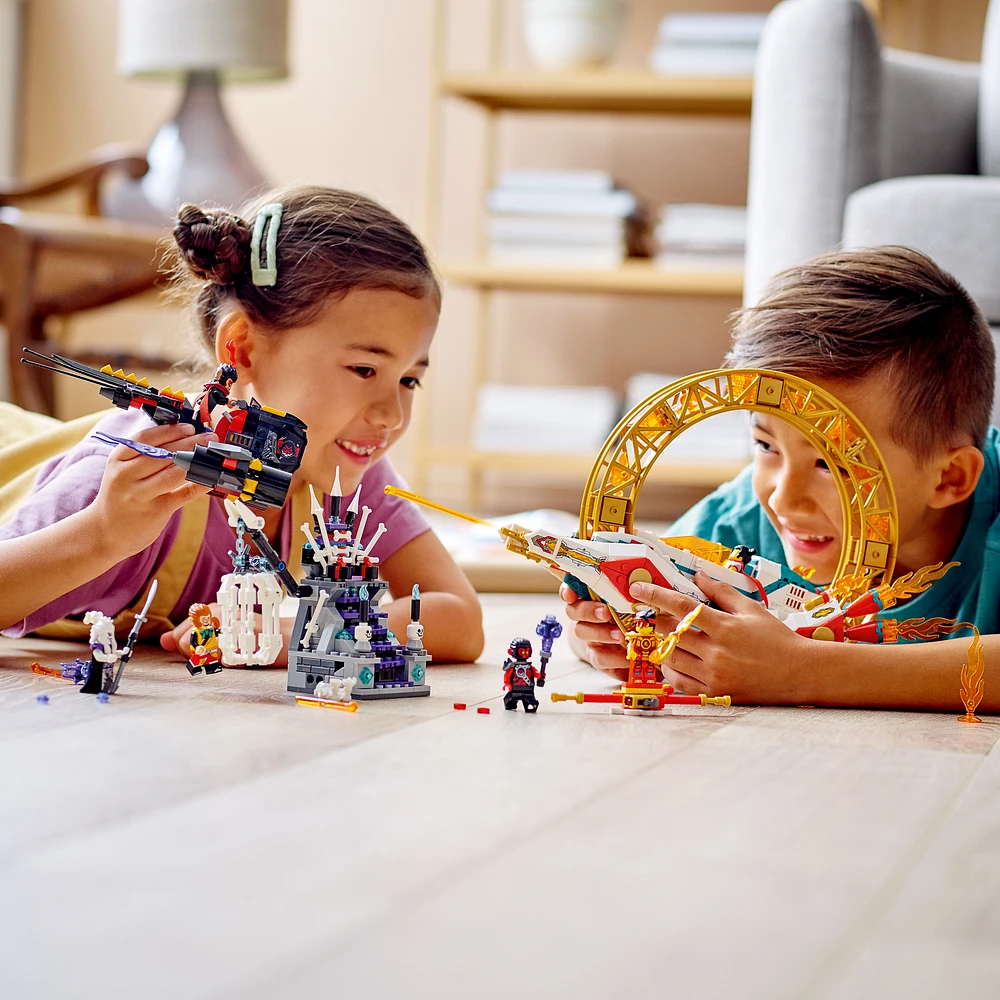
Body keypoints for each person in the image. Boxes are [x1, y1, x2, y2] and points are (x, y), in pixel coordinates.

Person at [0, 186, 484, 665]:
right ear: (242, 350)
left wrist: (300, 633)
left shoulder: (344, 472)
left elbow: (459, 619)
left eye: (409, 380)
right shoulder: (135, 472)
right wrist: (103, 532)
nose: (391, 415)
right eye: (364, 370)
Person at [563, 246, 1000, 710]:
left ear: (949, 478)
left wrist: (803, 671)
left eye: (829, 464)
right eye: (766, 446)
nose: (784, 500)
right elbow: (632, 614)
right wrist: (600, 639)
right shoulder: (737, 524)